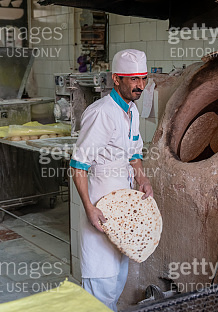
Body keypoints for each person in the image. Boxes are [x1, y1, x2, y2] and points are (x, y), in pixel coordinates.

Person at [69, 49, 154, 311]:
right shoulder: (102, 113)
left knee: (117, 279)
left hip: (123, 205)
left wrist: (142, 179)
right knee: (100, 282)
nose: (140, 85)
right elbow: (78, 165)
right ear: (117, 79)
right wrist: (89, 208)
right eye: (133, 79)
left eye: (143, 78)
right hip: (100, 203)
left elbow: (135, 153)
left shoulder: (131, 111)